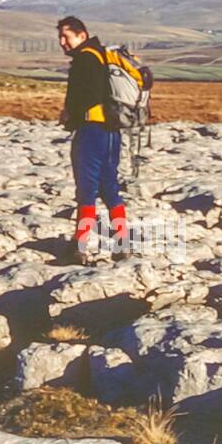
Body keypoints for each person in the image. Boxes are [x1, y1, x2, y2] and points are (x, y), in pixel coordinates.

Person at [58, 16, 129, 261]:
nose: (62, 42)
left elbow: (86, 96)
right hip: (112, 131)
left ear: (82, 35)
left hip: (91, 131)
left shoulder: (85, 60)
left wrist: (71, 115)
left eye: (66, 37)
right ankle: (123, 242)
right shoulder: (102, 56)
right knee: (110, 186)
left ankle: (80, 245)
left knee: (86, 189)